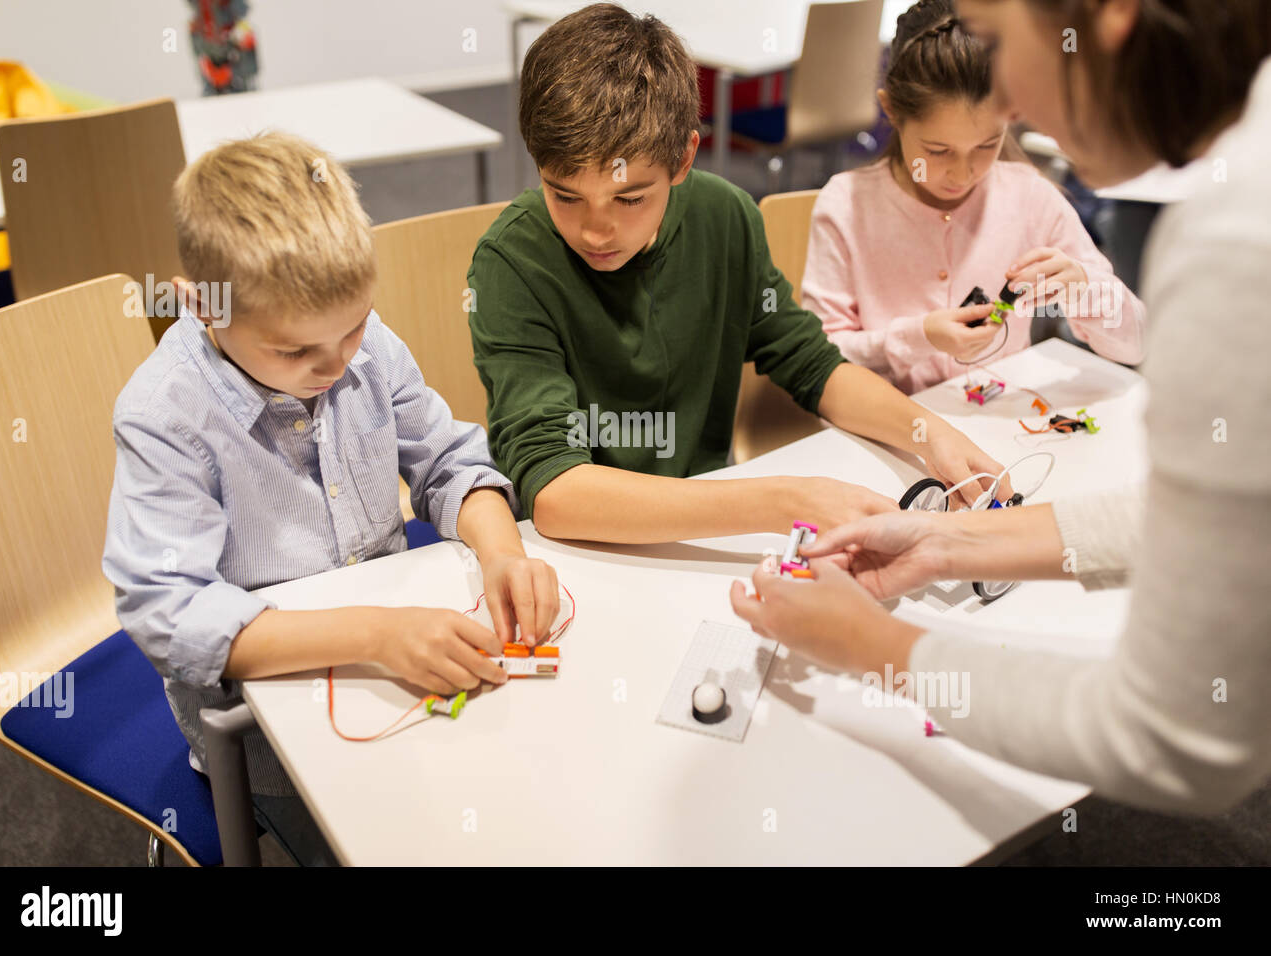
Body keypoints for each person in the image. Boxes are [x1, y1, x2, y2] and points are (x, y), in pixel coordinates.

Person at [732, 0, 1271, 816]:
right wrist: (950, 539)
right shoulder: (1237, 201)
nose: (1007, 108)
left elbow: (1178, 742)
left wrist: (870, 646)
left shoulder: (1234, 244)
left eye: (994, 39)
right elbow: (1224, 523)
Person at [102, 132, 559, 864]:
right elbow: (170, 609)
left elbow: (446, 457)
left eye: (352, 327)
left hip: (394, 649)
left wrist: (503, 549)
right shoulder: (165, 413)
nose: (334, 363)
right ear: (202, 305)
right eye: (292, 351)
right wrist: (375, 636)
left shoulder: (362, 341)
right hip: (262, 718)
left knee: (528, 784)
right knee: (396, 838)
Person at [467, 3, 1015, 546]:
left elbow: (811, 362)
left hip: (702, 527)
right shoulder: (513, 262)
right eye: (564, 195)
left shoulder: (725, 217)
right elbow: (554, 492)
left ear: (683, 159)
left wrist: (930, 433)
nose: (596, 230)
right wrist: (784, 502)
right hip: (578, 549)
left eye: (629, 198)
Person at [800, 0, 1145, 396]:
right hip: (883, 430)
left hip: (996, 427)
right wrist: (918, 337)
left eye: (987, 145)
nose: (963, 174)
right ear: (891, 110)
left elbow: (1134, 344)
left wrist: (1086, 289)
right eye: (937, 151)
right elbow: (816, 359)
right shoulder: (846, 205)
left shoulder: (1029, 196)